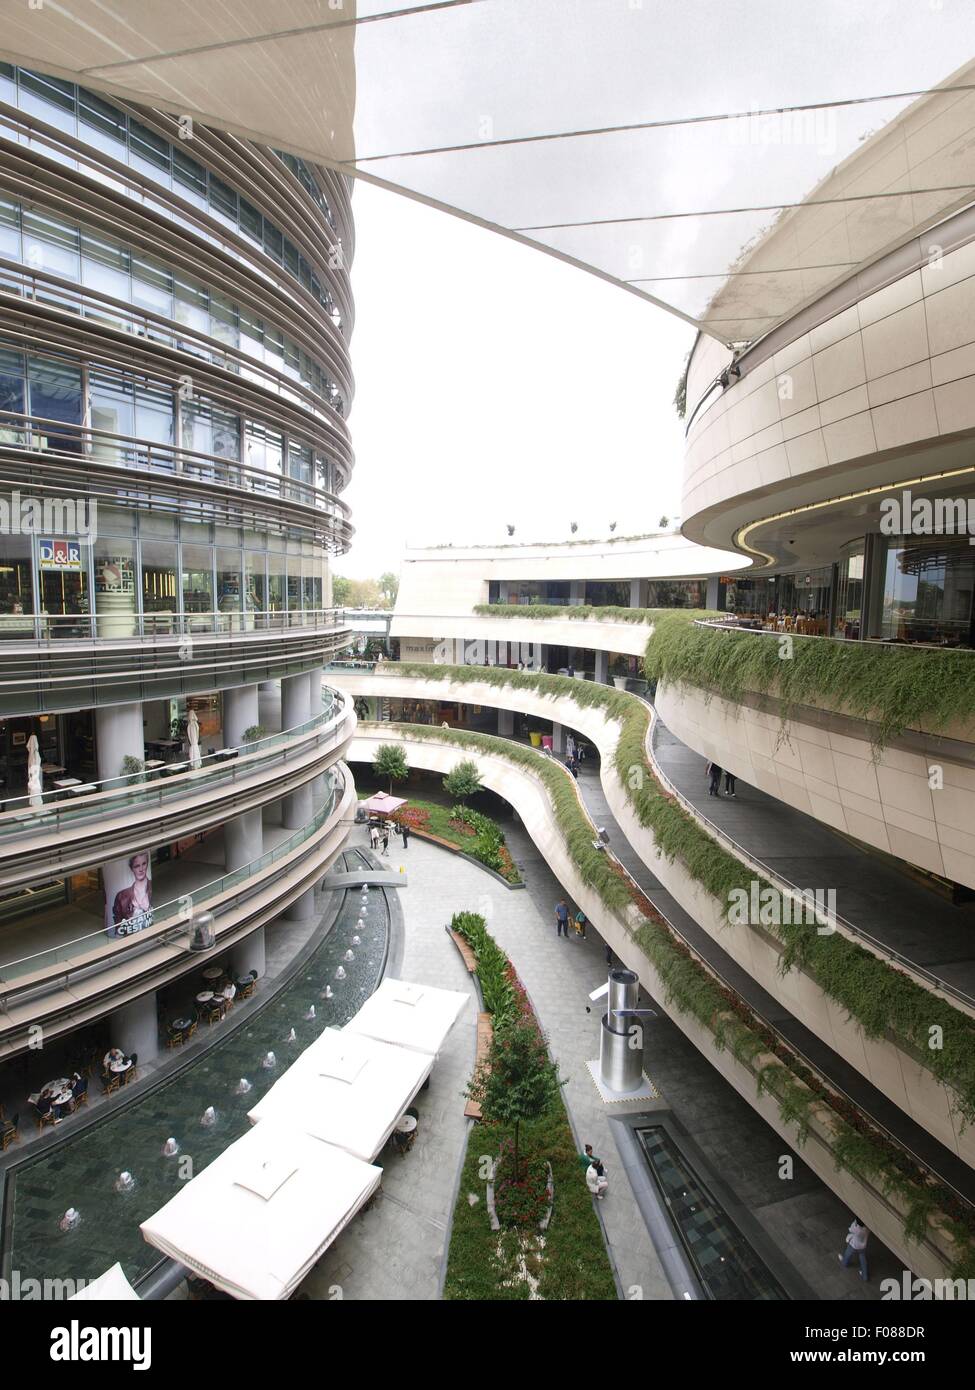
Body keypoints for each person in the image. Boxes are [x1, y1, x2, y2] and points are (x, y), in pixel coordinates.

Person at [112, 850, 153, 935]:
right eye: (137, 866)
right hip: (130, 936)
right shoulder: (122, 896)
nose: (141, 869)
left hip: (149, 931)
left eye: (144, 864)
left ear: (147, 864)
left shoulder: (150, 887)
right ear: (132, 869)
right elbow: (117, 924)